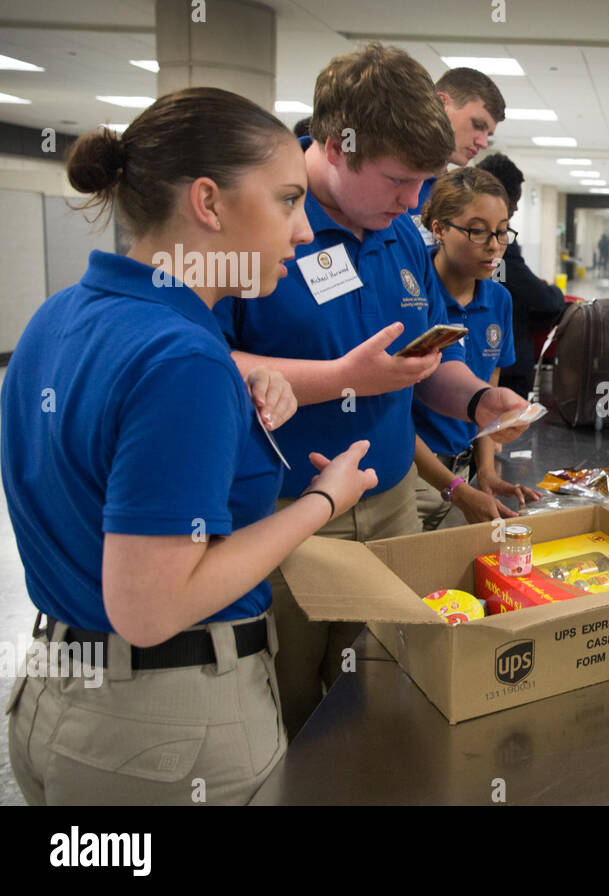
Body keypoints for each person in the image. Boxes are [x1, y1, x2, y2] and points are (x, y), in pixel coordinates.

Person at [2, 88, 378, 805]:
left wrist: (231, 400)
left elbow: (93, 464)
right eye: (287, 201)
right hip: (164, 734)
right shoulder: (183, 358)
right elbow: (149, 608)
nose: (304, 233)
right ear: (208, 202)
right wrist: (324, 501)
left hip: (56, 702)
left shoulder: (60, 315)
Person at [213, 43, 530, 740]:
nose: (413, 201)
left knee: (382, 690)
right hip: (289, 512)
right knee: (292, 700)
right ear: (336, 147)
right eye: (398, 180)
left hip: (390, 505)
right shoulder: (258, 219)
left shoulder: (399, 234)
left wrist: (478, 401)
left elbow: (421, 359)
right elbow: (206, 362)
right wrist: (341, 380)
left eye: (424, 181)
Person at [411, 167, 543, 528]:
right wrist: (454, 488)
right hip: (413, 473)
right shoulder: (413, 295)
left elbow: (488, 395)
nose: (494, 245)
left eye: (501, 231)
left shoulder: (499, 299)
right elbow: (394, 412)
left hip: (463, 472)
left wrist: (485, 472)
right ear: (439, 229)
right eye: (477, 230)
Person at [474, 152, 567, 399]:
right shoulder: (501, 243)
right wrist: (554, 293)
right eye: (514, 201)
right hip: (504, 360)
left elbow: (508, 279)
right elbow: (537, 296)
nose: (514, 209)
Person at [410, 67, 508, 242]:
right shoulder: (390, 179)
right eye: (478, 125)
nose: (483, 143)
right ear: (441, 104)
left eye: (488, 135)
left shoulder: (447, 193)